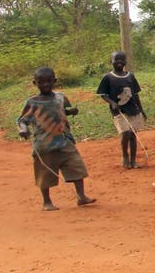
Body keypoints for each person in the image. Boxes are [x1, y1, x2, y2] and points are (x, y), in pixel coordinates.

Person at [17, 67, 96, 211]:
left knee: (77, 168)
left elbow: (64, 110)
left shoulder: (60, 97)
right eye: (41, 82)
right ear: (35, 83)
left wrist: (71, 111)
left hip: (65, 140)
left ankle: (81, 196)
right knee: (45, 174)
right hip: (45, 145)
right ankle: (47, 202)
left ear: (55, 81)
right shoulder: (32, 102)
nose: (45, 84)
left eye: (48, 81)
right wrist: (23, 129)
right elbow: (22, 120)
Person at [96, 50, 147, 169]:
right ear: (111, 61)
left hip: (132, 109)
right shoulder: (108, 78)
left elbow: (135, 94)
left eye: (122, 59)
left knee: (133, 134)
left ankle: (133, 161)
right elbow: (103, 94)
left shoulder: (130, 76)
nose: (119, 62)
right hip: (118, 111)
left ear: (125, 61)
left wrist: (141, 109)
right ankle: (125, 157)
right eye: (116, 59)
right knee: (125, 134)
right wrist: (112, 102)